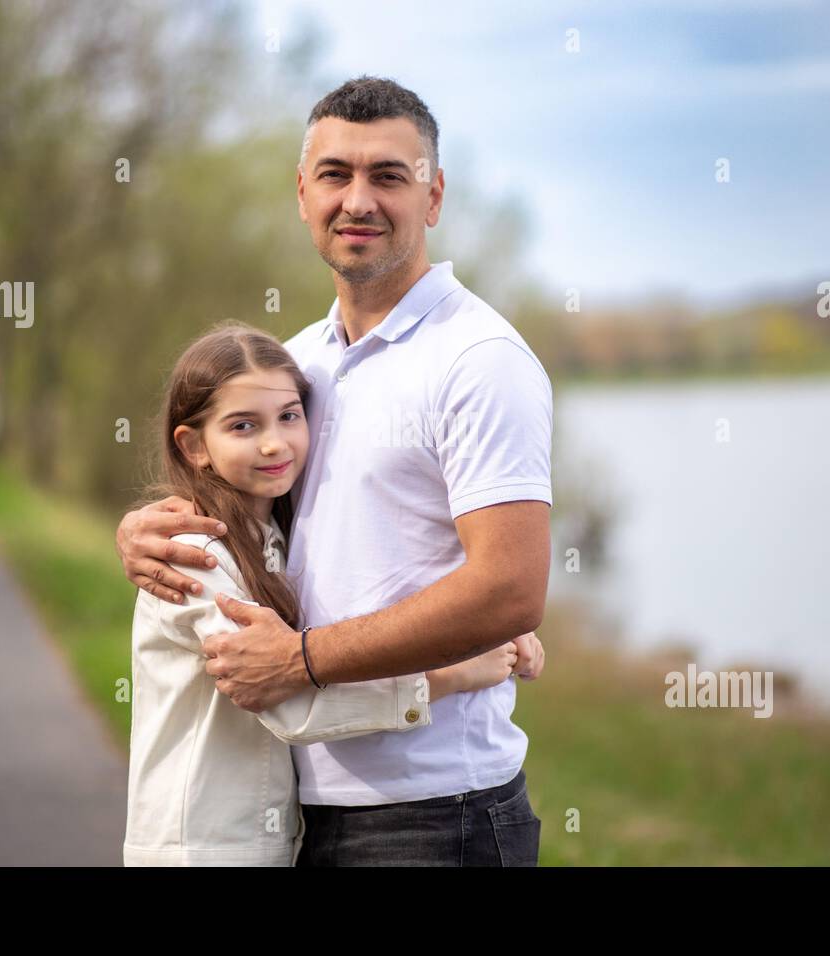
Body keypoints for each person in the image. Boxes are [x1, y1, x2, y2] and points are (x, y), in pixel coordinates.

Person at [117, 76, 553, 866]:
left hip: (437, 814)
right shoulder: (298, 365)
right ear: (302, 194)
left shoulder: (479, 360)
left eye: (388, 175)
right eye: (335, 175)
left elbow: (512, 589)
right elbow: (246, 504)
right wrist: (145, 528)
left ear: (434, 194)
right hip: (301, 812)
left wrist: (304, 658)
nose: (359, 200)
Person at [124, 322, 530, 866]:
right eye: (243, 426)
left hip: (264, 841)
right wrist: (452, 674)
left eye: (289, 417)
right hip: (201, 850)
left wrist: (493, 620)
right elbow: (285, 701)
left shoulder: (273, 540)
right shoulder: (198, 557)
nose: (274, 443)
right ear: (194, 445)